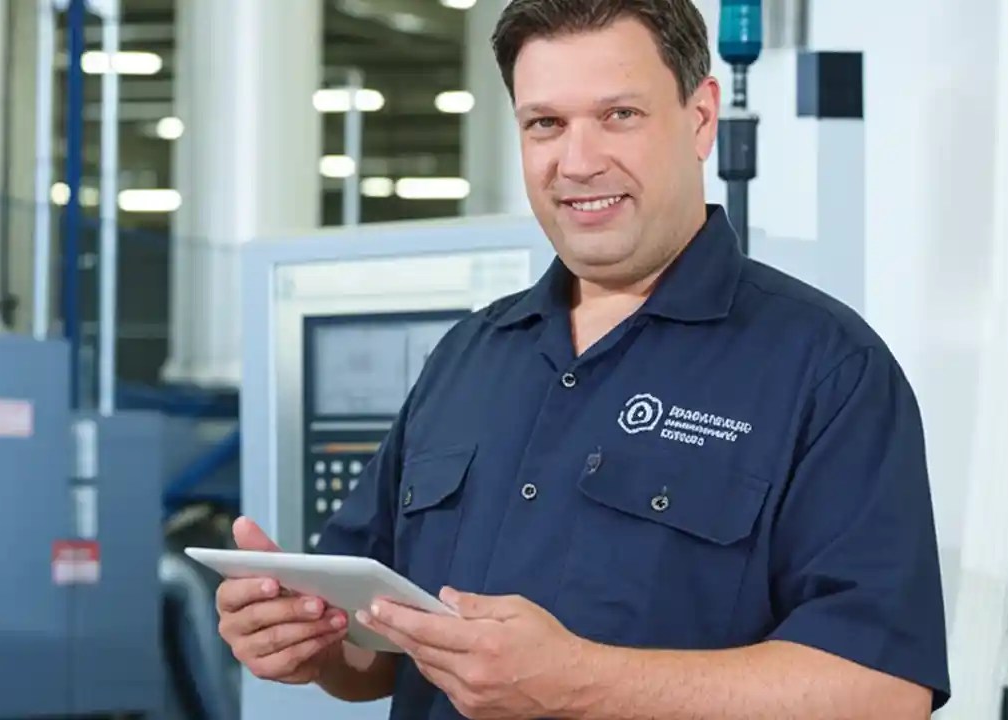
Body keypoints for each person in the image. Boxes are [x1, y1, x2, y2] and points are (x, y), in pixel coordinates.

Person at [216, 1, 951, 717]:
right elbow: (376, 652)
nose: (578, 161)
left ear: (700, 119)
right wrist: (310, 641)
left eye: (618, 116)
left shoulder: (827, 368)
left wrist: (582, 682)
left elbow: (882, 690)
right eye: (546, 124)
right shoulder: (468, 357)